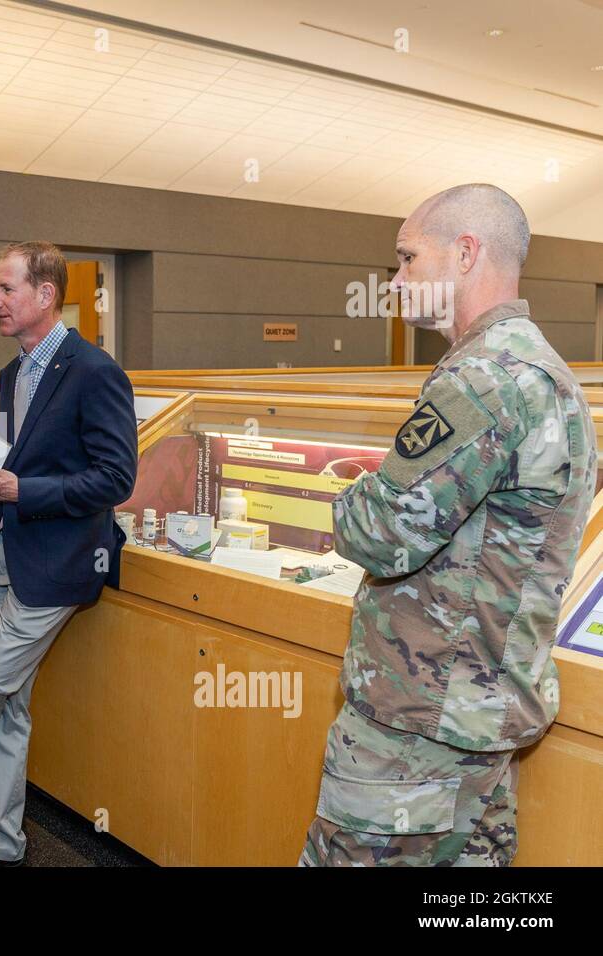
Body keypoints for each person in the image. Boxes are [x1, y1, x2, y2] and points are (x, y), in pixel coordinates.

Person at [300, 184, 597, 867]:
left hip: (418, 727)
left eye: (407, 259)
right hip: (479, 716)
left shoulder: (481, 380)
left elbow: (377, 530)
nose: (396, 281)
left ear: (466, 253)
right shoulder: (543, 369)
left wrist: (353, 498)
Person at [0, 241, 137, 866]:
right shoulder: (9, 373)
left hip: (57, 564)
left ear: (45, 295)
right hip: (3, 551)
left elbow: (114, 479)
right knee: (8, 702)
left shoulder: (94, 371)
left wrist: (24, 490)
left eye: (5, 289)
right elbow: (5, 468)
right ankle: (0, 842)